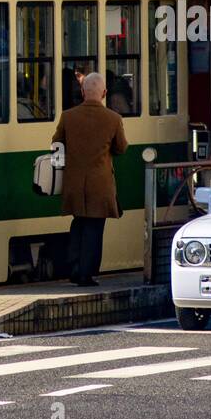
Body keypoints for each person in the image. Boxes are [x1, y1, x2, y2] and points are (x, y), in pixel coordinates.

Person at [51, 71, 128, 287]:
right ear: (104, 93)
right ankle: (86, 273)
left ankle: (74, 267)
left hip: (74, 183)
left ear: (83, 92)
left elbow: (56, 143)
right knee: (95, 227)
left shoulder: (68, 116)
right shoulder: (113, 119)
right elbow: (121, 148)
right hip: (100, 185)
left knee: (78, 224)